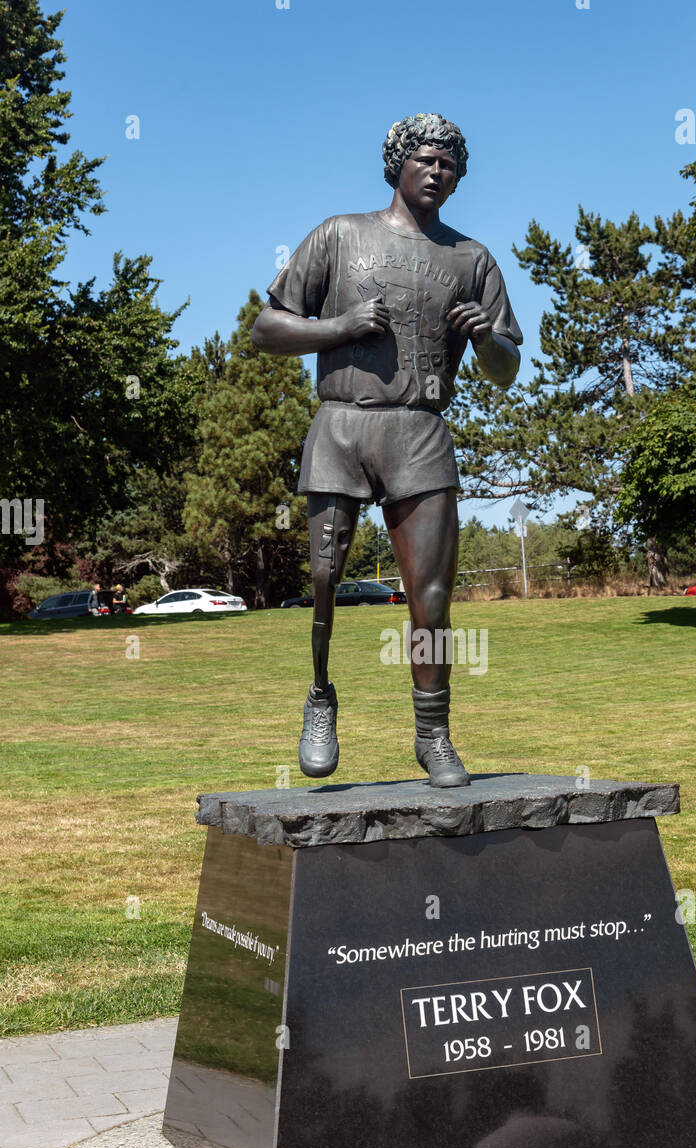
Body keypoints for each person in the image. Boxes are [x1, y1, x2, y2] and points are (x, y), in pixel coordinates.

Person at [252, 114, 522, 788]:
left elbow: (506, 367)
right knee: (323, 583)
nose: (437, 173)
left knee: (430, 597)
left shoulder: (471, 259)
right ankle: (319, 697)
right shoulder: (341, 235)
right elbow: (266, 328)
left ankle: (433, 734)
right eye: (426, 161)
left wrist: (485, 337)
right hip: (342, 425)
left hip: (420, 432)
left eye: (450, 166)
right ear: (398, 165)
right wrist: (339, 326)